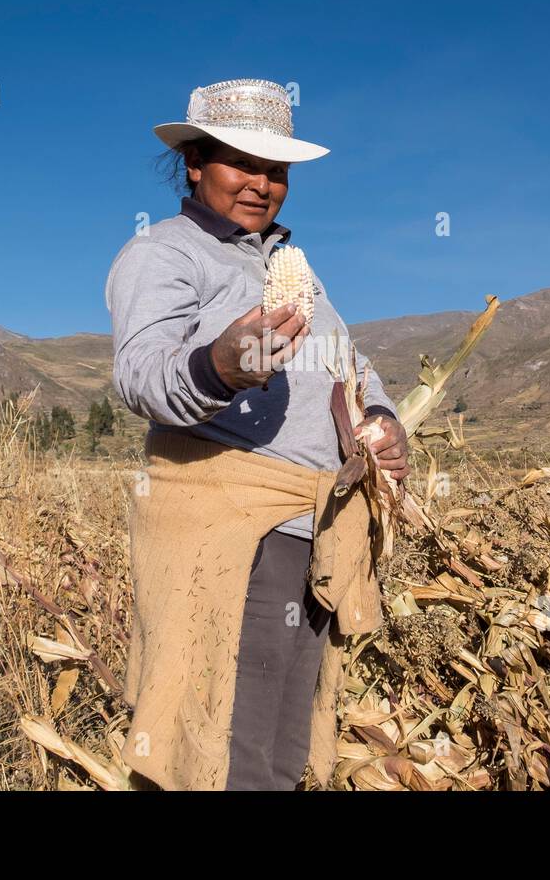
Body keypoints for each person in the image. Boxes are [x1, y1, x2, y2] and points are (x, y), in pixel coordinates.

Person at [106, 78, 409, 790]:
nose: (260, 184)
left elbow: (351, 367)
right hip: (240, 528)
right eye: (241, 163)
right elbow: (141, 375)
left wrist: (383, 422)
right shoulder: (166, 254)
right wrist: (220, 363)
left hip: (311, 527)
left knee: (283, 737)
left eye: (275, 171)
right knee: (230, 737)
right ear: (195, 163)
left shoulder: (294, 270)